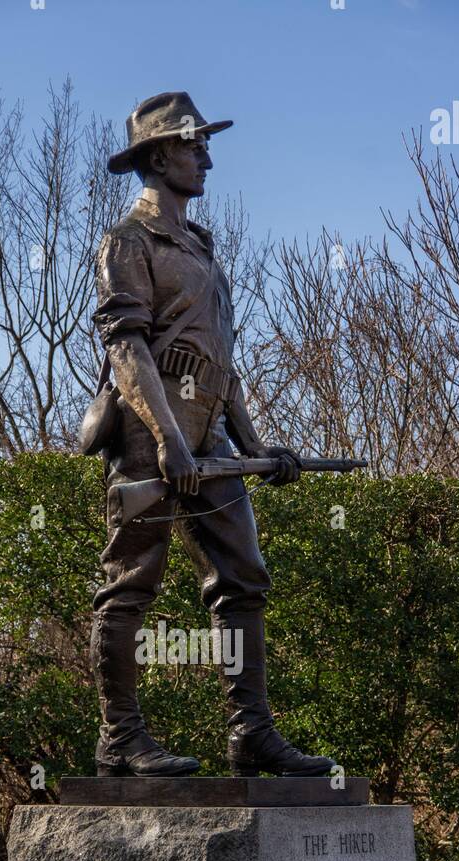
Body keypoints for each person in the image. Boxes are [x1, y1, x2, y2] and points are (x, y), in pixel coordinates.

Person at [90, 91, 334, 779]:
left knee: (242, 578)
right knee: (130, 582)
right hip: (149, 436)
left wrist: (254, 445)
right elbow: (127, 347)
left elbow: (218, 361)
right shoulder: (128, 241)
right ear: (160, 154)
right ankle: (119, 741)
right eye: (195, 145)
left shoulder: (200, 247)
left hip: (208, 443)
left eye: (202, 144)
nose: (206, 157)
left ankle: (251, 735)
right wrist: (168, 441)